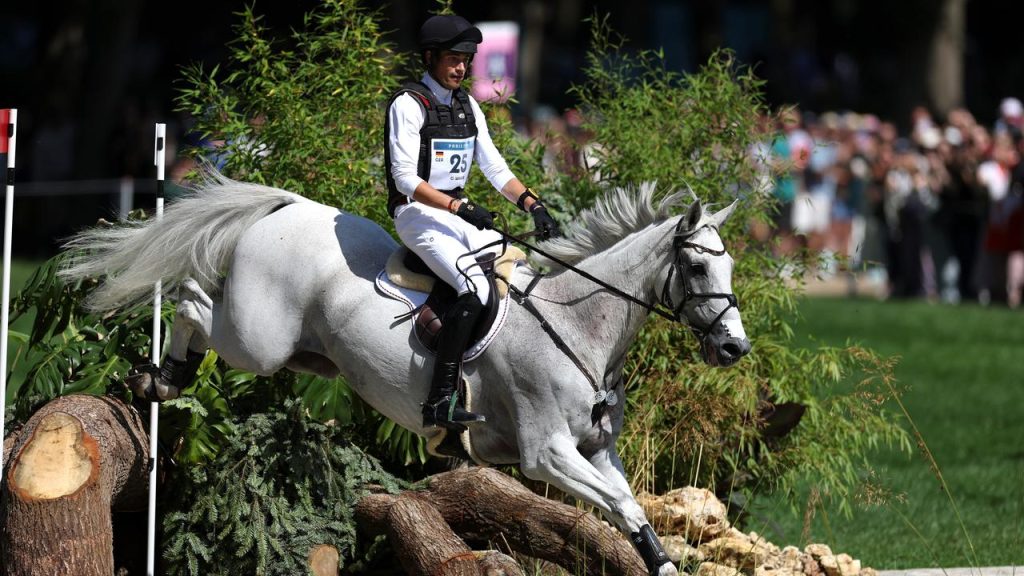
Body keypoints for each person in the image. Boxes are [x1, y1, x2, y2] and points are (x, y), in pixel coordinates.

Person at [384, 14, 561, 431]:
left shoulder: (467, 105)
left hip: (456, 211)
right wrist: (457, 208)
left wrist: (533, 205)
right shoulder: (409, 104)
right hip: (417, 215)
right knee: (476, 288)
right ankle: (439, 400)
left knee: (515, 271)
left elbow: (495, 168)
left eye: (466, 59)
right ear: (429, 57)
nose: (461, 67)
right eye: (452, 58)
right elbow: (406, 179)